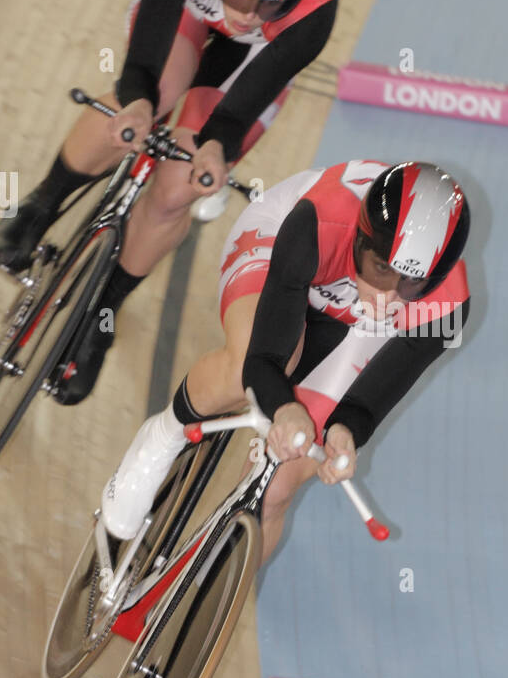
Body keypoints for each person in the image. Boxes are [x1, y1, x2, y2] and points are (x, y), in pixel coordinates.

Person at [0, 0, 340, 403]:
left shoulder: (316, 3)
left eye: (269, 4)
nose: (248, 14)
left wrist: (217, 146)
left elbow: (245, 100)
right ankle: (43, 202)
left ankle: (102, 314)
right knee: (154, 94)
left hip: (253, 62)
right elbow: (143, 63)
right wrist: (136, 104)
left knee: (178, 187)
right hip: (190, 11)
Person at [100, 160, 471, 570]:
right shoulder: (319, 222)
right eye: (381, 269)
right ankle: (163, 433)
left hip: (353, 320)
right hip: (280, 242)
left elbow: (370, 400)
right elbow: (264, 360)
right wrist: (284, 407)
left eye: (411, 283)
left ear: (436, 279)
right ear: (363, 243)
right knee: (247, 370)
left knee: (277, 487)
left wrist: (345, 434)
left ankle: (202, 603)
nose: (388, 296)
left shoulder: (447, 306)